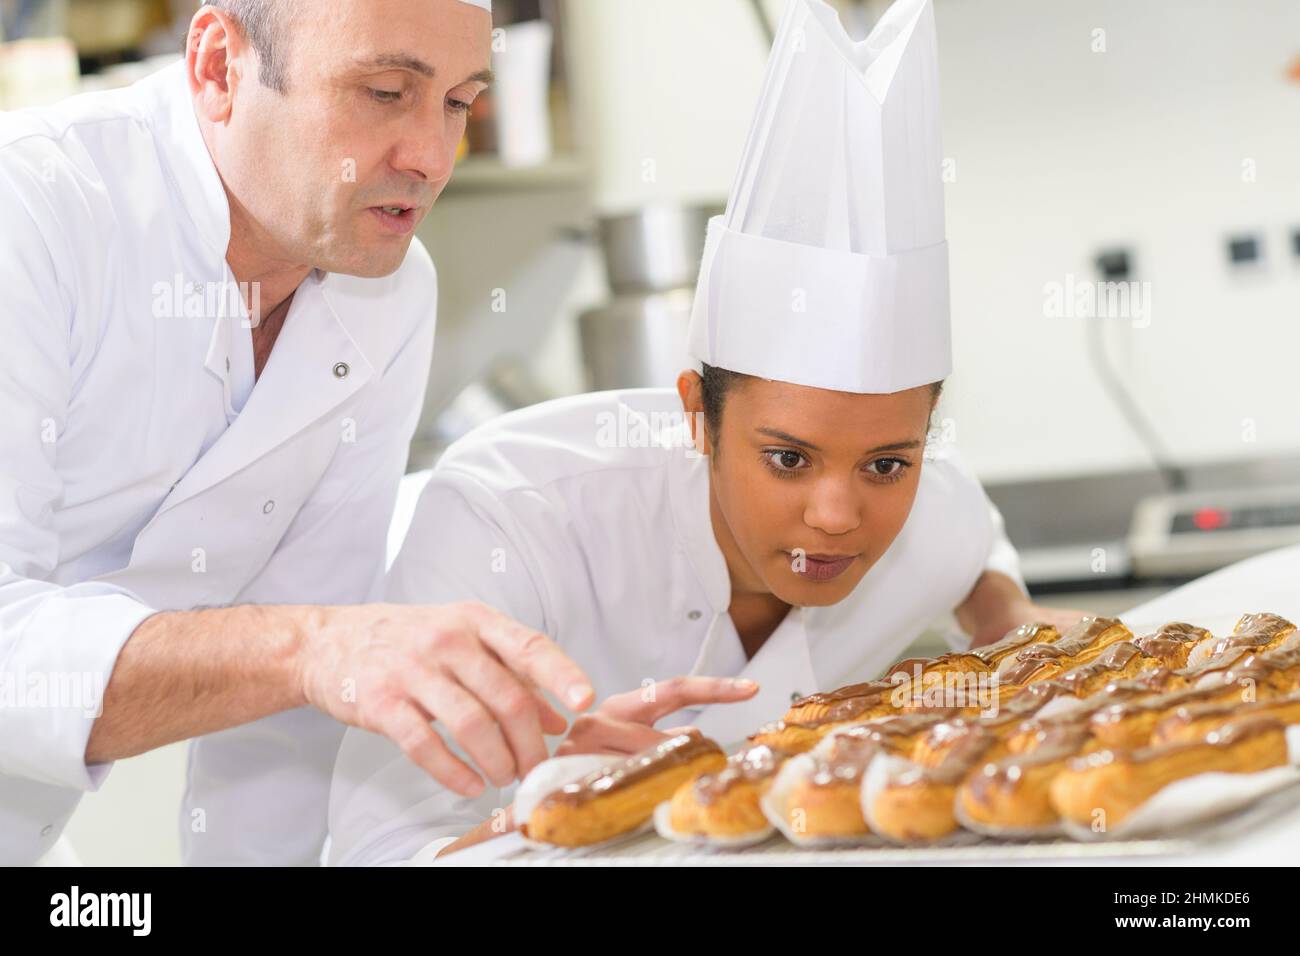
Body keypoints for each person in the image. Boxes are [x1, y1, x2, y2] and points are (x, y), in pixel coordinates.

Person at [326, 0, 1084, 866]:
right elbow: (375, 851)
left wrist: (999, 609)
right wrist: (550, 814)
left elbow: (972, 539)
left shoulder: (929, 524)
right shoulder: (512, 516)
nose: (839, 515)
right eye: (788, 458)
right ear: (699, 413)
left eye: (886, 462)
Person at [0, 0, 594, 866]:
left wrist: (324, 657)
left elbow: (289, 732)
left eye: (459, 102)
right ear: (218, 66)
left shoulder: (388, 292)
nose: (432, 158)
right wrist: (314, 648)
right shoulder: (34, 212)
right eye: (385, 91)